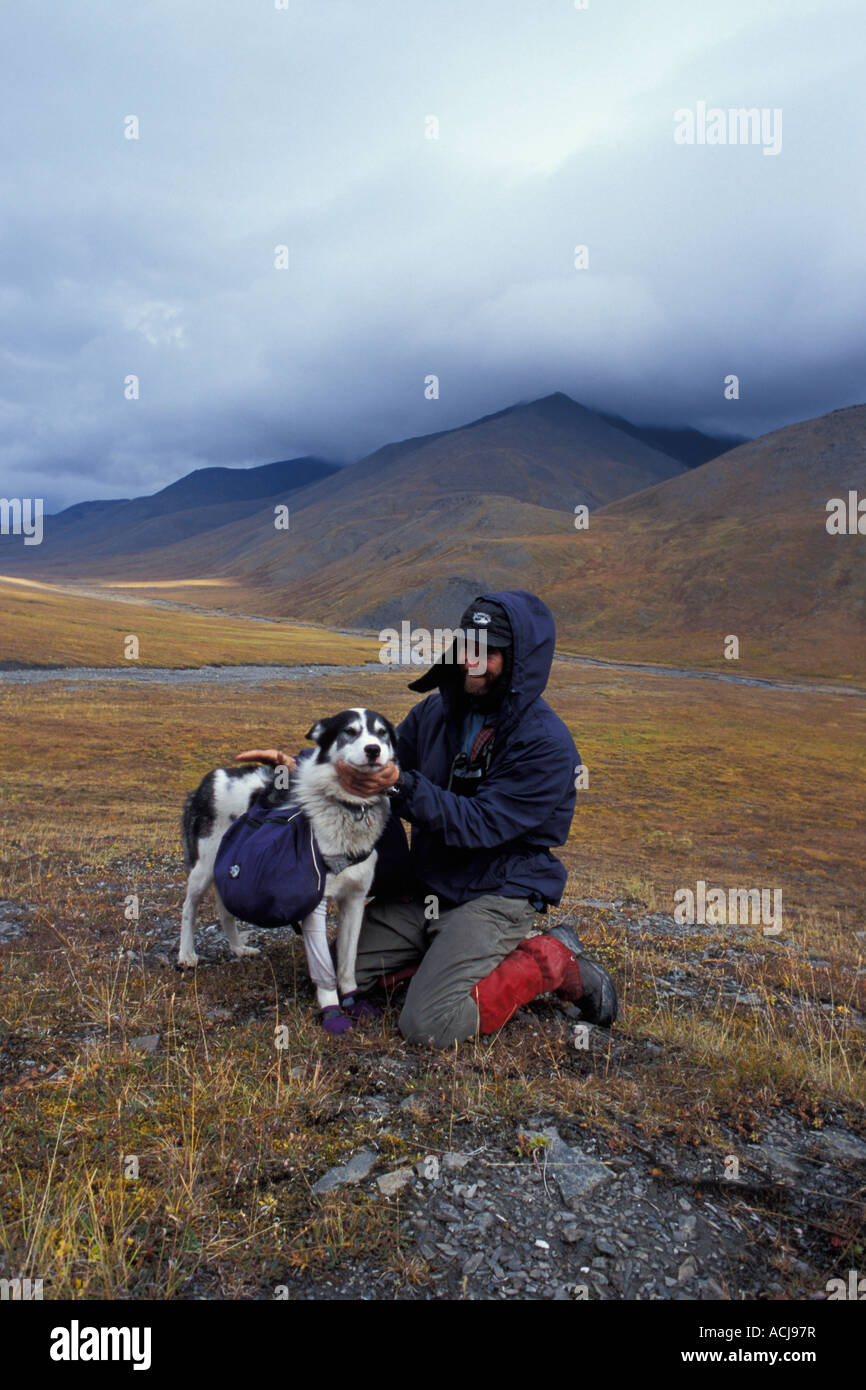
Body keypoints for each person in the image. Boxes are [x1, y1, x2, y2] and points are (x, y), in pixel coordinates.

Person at [330, 589, 618, 1047]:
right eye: (467, 646)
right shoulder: (436, 712)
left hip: (497, 891)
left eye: (489, 652)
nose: (472, 661)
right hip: (432, 888)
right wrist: (309, 768)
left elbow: (479, 823)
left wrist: (401, 784)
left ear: (520, 660)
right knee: (332, 971)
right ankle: (446, 958)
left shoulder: (545, 745)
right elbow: (381, 759)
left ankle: (552, 958)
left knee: (429, 1024)